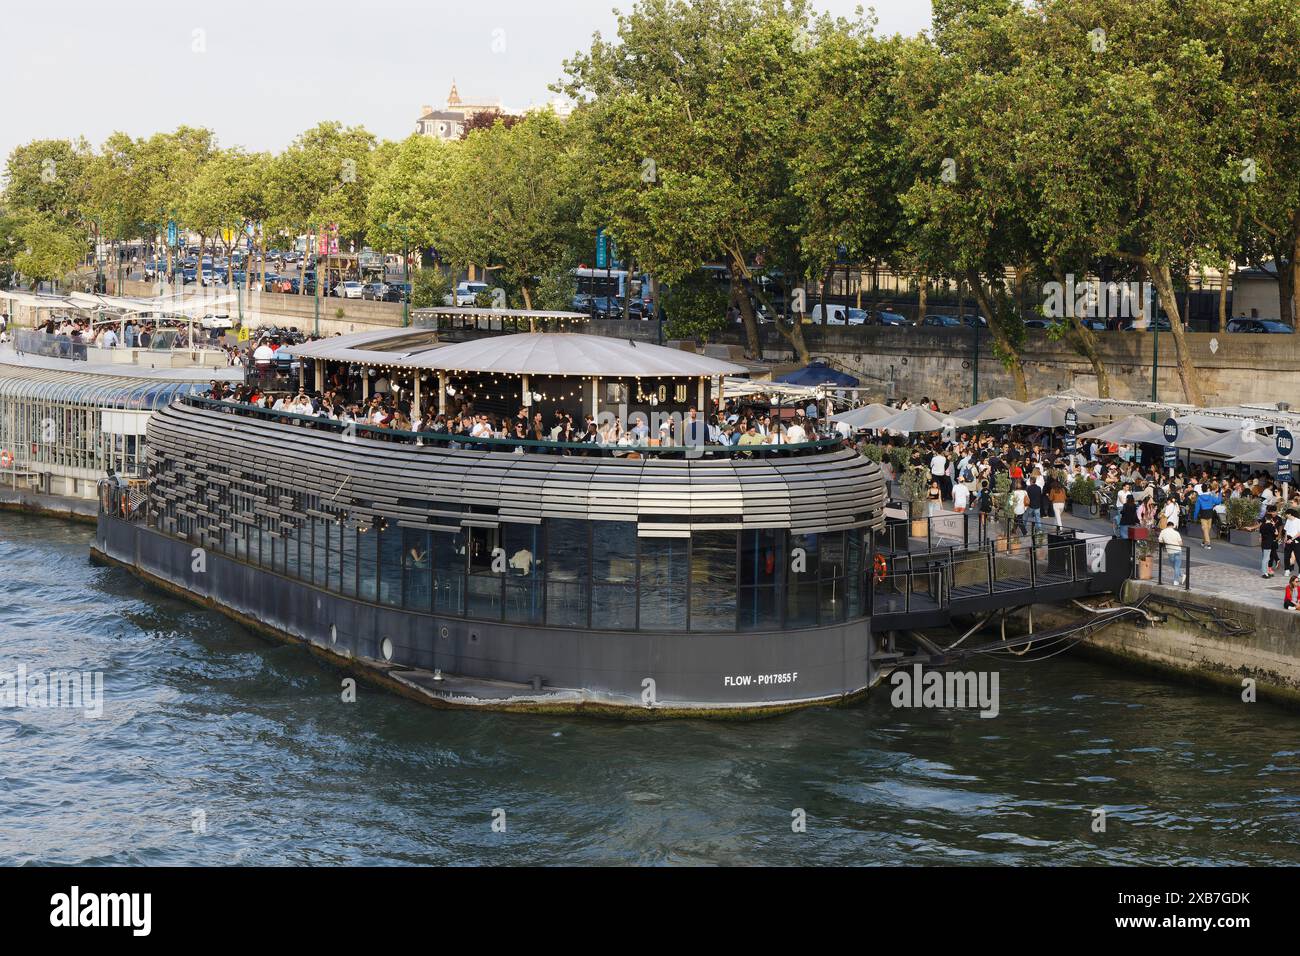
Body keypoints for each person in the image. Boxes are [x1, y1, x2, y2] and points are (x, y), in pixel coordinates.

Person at [1158, 522, 1184, 586]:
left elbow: (1160, 540)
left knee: (1174, 566)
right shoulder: (1176, 533)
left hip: (1170, 551)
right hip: (1178, 550)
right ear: (1173, 526)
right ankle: (1177, 580)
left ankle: (1180, 577)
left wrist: (1166, 542)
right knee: (1177, 566)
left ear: (1167, 526)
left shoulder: (1163, 532)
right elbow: (1181, 543)